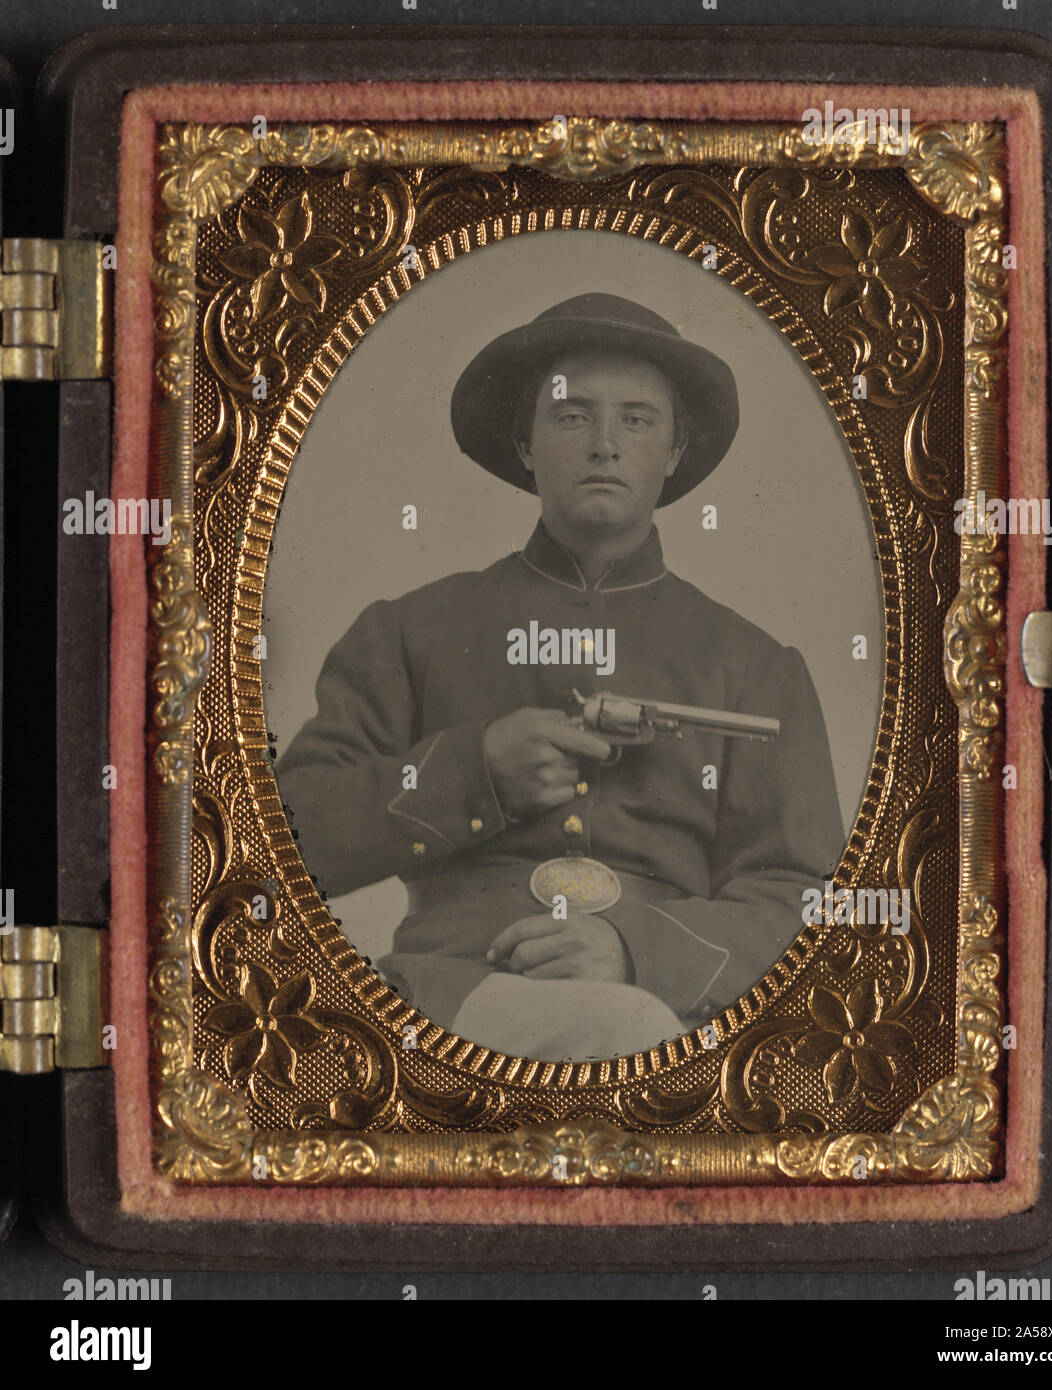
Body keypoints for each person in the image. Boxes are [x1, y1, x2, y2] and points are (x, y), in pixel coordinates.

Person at [275, 293, 844, 1059]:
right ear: (525, 442)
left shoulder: (757, 668)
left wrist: (635, 951)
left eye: (637, 420)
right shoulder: (406, 630)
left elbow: (801, 900)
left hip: (669, 1018)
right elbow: (287, 842)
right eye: (572, 416)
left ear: (675, 451)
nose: (604, 445)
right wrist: (477, 774)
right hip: (447, 1005)